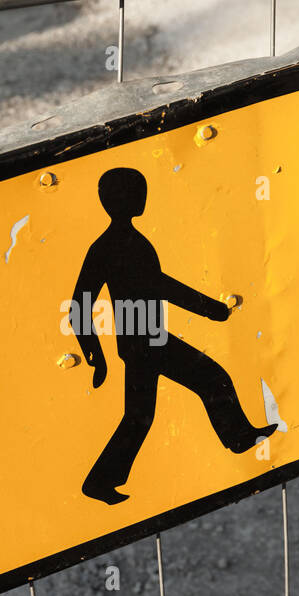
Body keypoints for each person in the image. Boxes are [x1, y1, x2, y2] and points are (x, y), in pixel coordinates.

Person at [71, 167, 277, 505]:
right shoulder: (116, 246)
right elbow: (84, 303)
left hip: (145, 338)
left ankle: (100, 480)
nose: (143, 197)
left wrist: (100, 355)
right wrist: (95, 357)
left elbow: (154, 285)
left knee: (142, 414)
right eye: (138, 191)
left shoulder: (125, 243)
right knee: (207, 380)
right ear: (120, 199)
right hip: (144, 341)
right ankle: (238, 438)